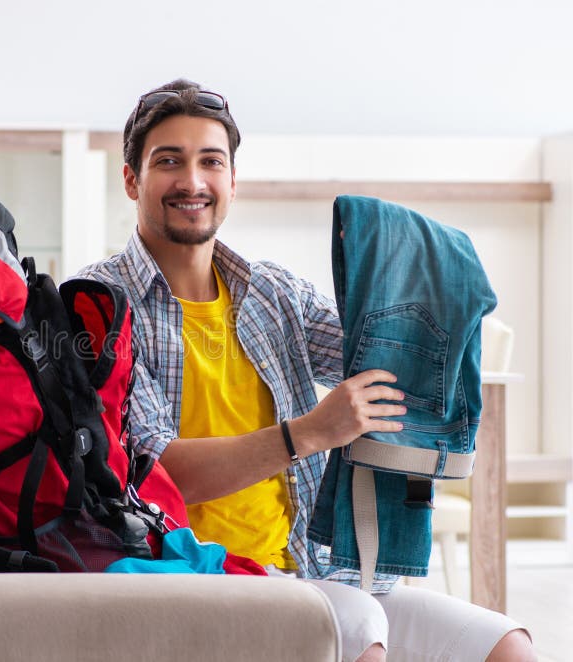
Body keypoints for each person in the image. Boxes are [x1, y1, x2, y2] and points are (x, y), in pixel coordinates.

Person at [76, 78, 535, 662]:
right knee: (360, 626)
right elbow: (159, 475)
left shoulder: (271, 292)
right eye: (169, 161)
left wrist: (428, 284)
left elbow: (385, 357)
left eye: (210, 161)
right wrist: (312, 432)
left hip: (313, 566)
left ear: (232, 183)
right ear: (131, 179)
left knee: (506, 643)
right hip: (197, 574)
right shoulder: (100, 305)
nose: (192, 181)